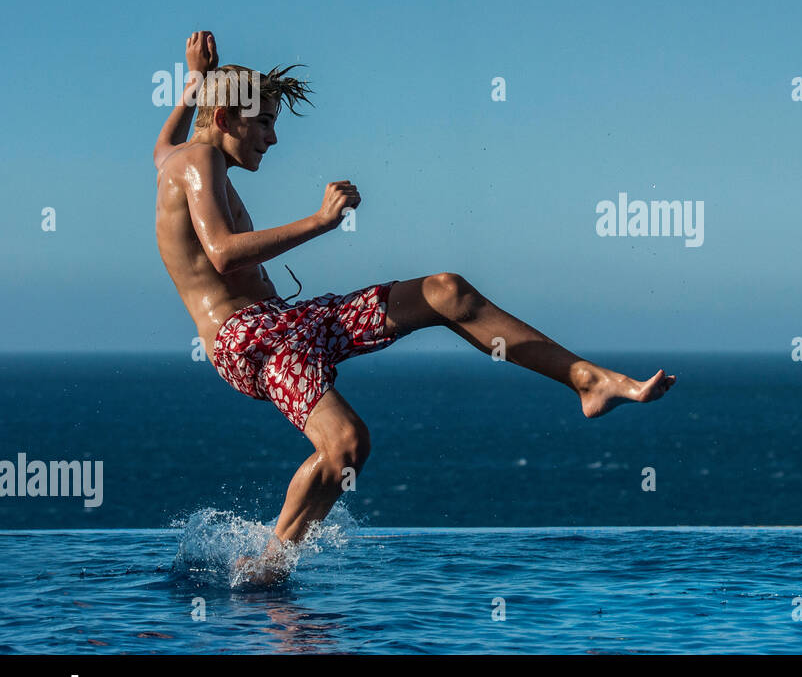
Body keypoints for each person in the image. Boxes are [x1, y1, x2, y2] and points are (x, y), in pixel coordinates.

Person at [153, 31, 675, 583]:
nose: (274, 139)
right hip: (251, 338)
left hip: (284, 325)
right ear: (230, 118)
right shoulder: (201, 161)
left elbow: (161, 147)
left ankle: (586, 380)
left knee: (446, 291)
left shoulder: (181, 159)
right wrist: (320, 222)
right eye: (265, 123)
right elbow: (224, 254)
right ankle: (269, 563)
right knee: (347, 444)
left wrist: (193, 82)